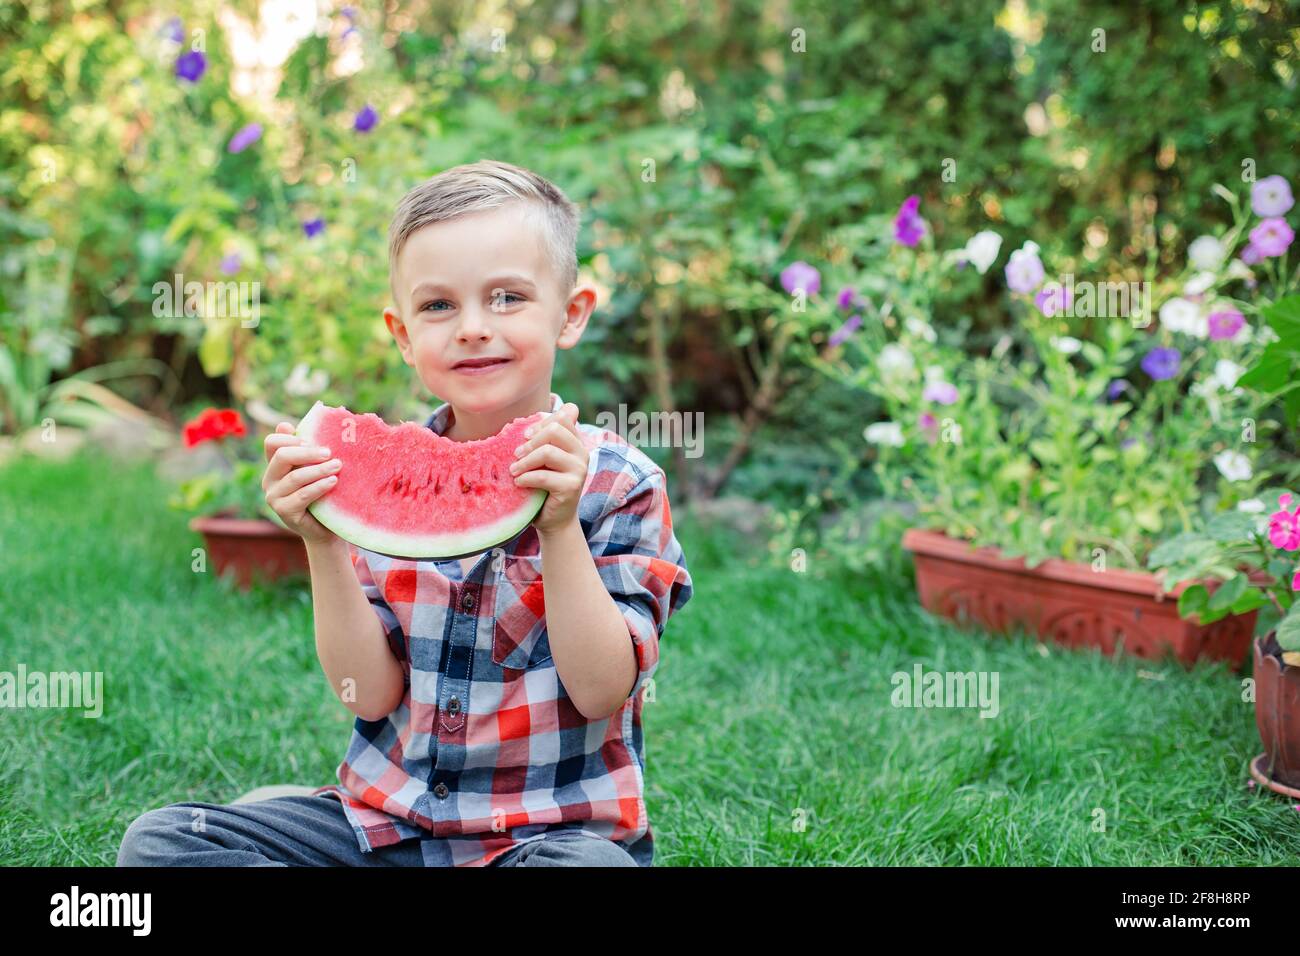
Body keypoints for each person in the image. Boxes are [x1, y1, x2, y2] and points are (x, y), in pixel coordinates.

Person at [117, 159, 694, 867]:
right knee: (164, 843)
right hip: (384, 831)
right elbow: (367, 693)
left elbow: (601, 688)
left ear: (570, 314)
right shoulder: (372, 483)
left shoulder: (622, 484)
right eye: (438, 306)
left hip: (543, 841)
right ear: (401, 333)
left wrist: (559, 525)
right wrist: (323, 543)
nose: (473, 328)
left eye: (508, 297)